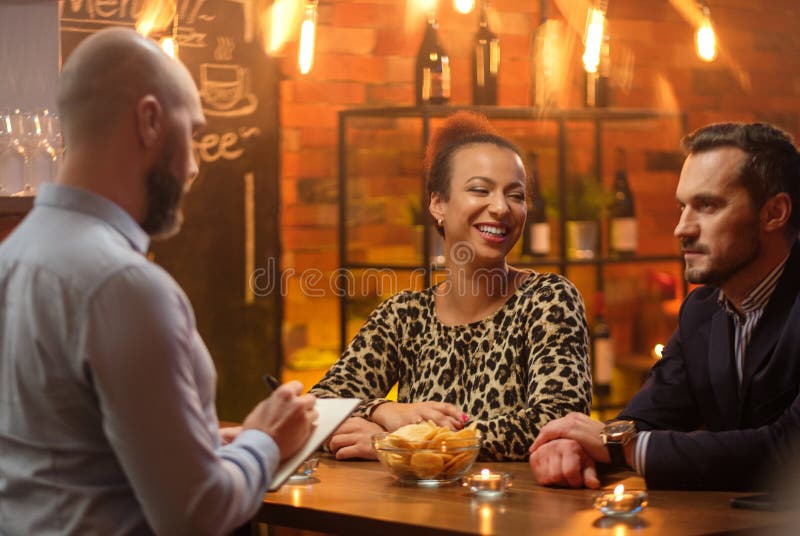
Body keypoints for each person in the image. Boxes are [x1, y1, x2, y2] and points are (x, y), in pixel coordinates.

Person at [0, 28, 317, 534]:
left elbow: (65, 452)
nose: (193, 167)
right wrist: (267, 440)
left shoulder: (12, 256)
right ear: (149, 121)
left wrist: (202, 443)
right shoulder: (123, 284)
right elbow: (197, 514)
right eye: (192, 134)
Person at [529, 122, 800, 490]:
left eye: (707, 206)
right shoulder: (701, 309)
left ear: (774, 213)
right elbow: (647, 417)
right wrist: (576, 448)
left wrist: (620, 446)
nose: (682, 228)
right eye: (682, 206)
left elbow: (787, 451)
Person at [310, 111, 591, 461]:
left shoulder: (548, 299)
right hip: (411, 513)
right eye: (480, 190)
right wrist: (384, 412)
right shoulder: (404, 315)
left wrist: (401, 442)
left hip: (514, 511)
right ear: (437, 204)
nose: (501, 207)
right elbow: (313, 411)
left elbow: (557, 423)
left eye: (515, 195)